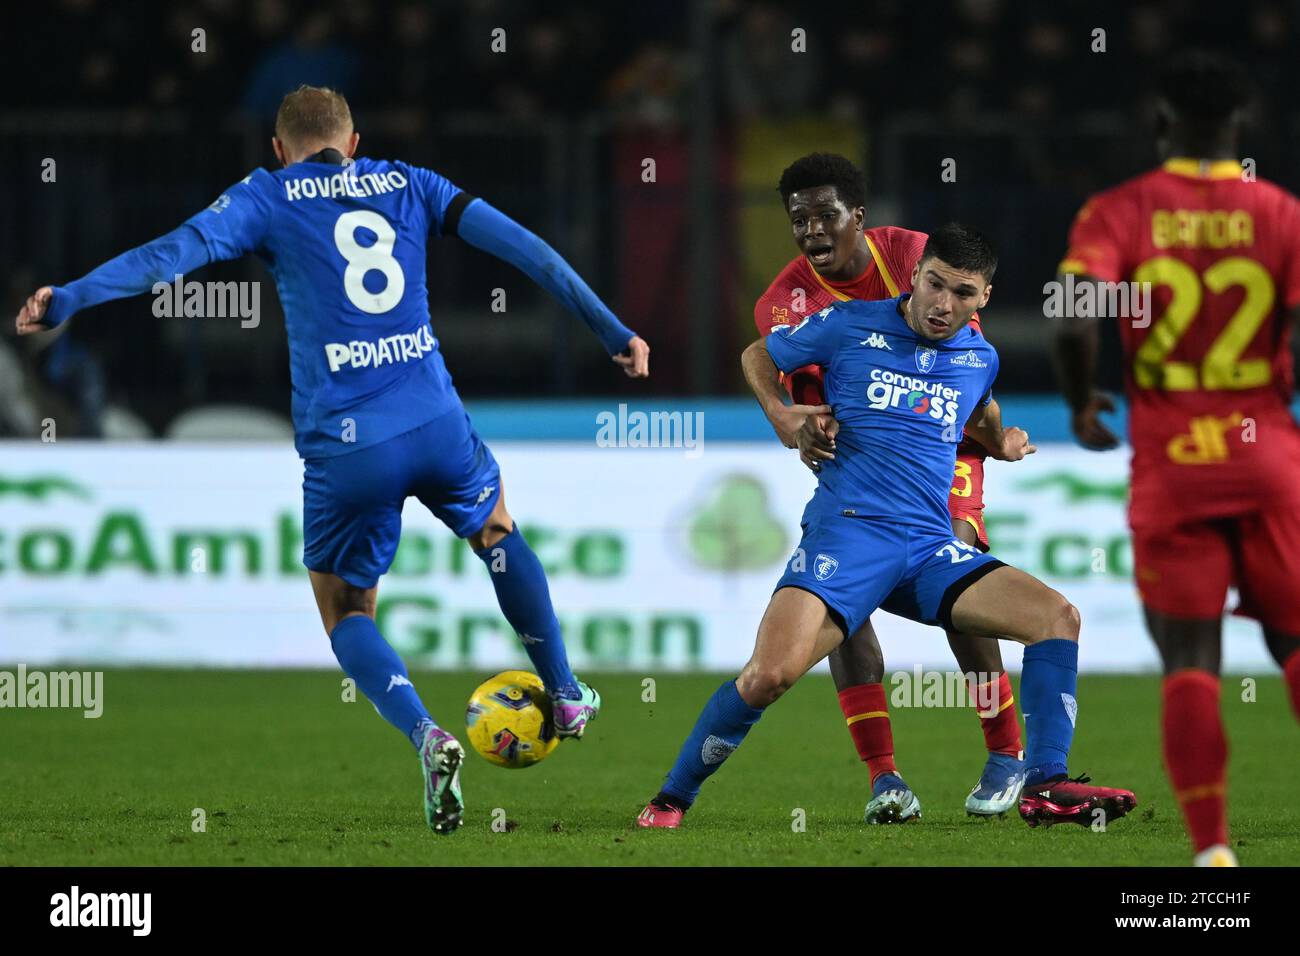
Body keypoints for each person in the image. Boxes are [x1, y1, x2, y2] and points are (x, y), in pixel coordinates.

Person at [15, 85, 650, 836]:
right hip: (437, 420)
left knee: (347, 608)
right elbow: (529, 251)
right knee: (498, 535)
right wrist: (612, 331)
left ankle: (427, 733)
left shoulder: (268, 195)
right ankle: (567, 688)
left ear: (279, 150)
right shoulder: (412, 182)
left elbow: (170, 255)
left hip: (350, 447)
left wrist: (71, 298)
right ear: (354, 142)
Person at [639, 223, 1135, 830]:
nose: (943, 304)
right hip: (850, 537)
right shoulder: (849, 323)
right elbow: (759, 353)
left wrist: (1000, 441)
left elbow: (976, 413)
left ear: (983, 299)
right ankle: (669, 800)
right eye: (934, 284)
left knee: (1058, 618)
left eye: (962, 293)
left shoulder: (980, 356)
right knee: (768, 676)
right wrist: (781, 411)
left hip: (929, 550)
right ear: (916, 275)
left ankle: (1045, 784)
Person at [1053, 52, 1300, 866]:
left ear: (1160, 124)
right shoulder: (1282, 213)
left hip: (1172, 466)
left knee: (1190, 662)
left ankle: (1213, 852)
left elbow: (1071, 319)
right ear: (1241, 128)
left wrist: (1083, 401)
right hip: (1268, 458)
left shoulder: (1118, 212)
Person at [753, 153, 1024, 821]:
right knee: (844, 602)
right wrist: (800, 421)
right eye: (799, 220)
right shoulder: (780, 301)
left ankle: (1005, 752)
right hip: (861, 451)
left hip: (944, 435)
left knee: (958, 571)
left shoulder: (911, 254)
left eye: (826, 215)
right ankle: (885, 778)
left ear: (859, 219)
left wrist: (995, 435)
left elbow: (961, 348)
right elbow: (795, 379)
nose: (813, 230)